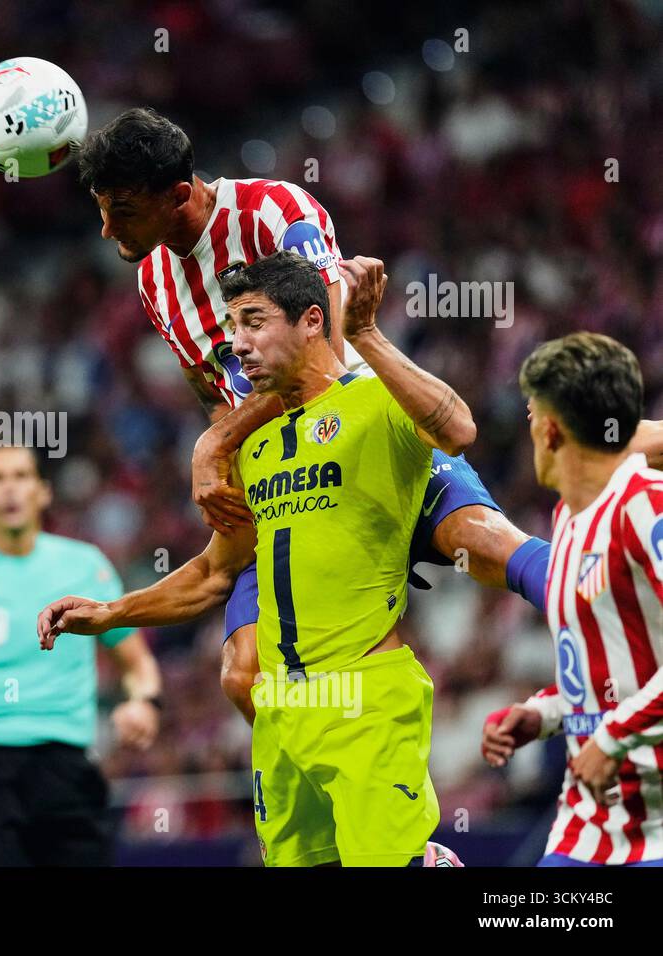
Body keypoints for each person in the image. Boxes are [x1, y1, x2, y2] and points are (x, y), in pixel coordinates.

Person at [75, 106, 626, 723]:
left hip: (362, 429)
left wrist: (215, 444)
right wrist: (226, 451)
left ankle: (623, 612)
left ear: (178, 194)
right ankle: (335, 779)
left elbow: (328, 340)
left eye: (120, 209)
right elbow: (207, 382)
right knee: (244, 674)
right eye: (100, 208)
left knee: (484, 545)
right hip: (280, 470)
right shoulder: (153, 279)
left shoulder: (273, 211)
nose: (105, 229)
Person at [42, 251, 473, 866]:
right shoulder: (257, 445)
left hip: (364, 696)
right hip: (281, 705)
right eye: (232, 326)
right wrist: (112, 613)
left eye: (253, 322)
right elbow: (217, 572)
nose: (236, 343)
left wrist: (369, 335)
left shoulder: (377, 403)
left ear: (311, 321)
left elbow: (458, 429)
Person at [0, 445, 161, 866]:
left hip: (68, 770)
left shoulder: (85, 566)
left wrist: (143, 702)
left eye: (21, 477)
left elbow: (137, 663)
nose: (10, 490)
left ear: (43, 491)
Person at [481, 332, 663, 866]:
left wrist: (614, 738)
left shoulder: (645, 507)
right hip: (588, 829)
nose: (529, 429)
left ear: (553, 428)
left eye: (532, 414)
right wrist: (541, 714)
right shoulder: (565, 521)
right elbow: (605, 675)